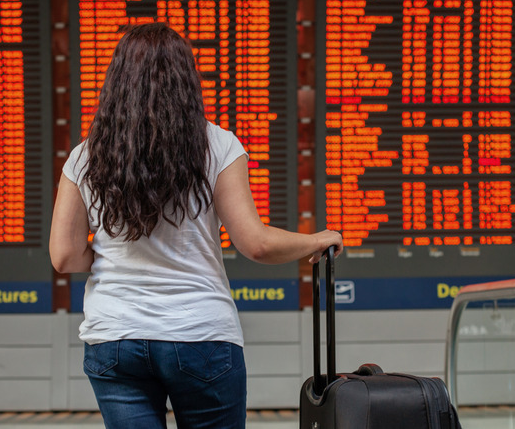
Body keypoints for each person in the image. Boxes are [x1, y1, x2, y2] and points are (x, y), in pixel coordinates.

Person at [49, 23, 343, 429]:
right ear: (186, 80)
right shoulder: (217, 145)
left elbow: (64, 256)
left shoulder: (85, 157)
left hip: (115, 337)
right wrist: (318, 239)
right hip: (200, 336)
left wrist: (110, 252)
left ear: (116, 81)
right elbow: (255, 244)